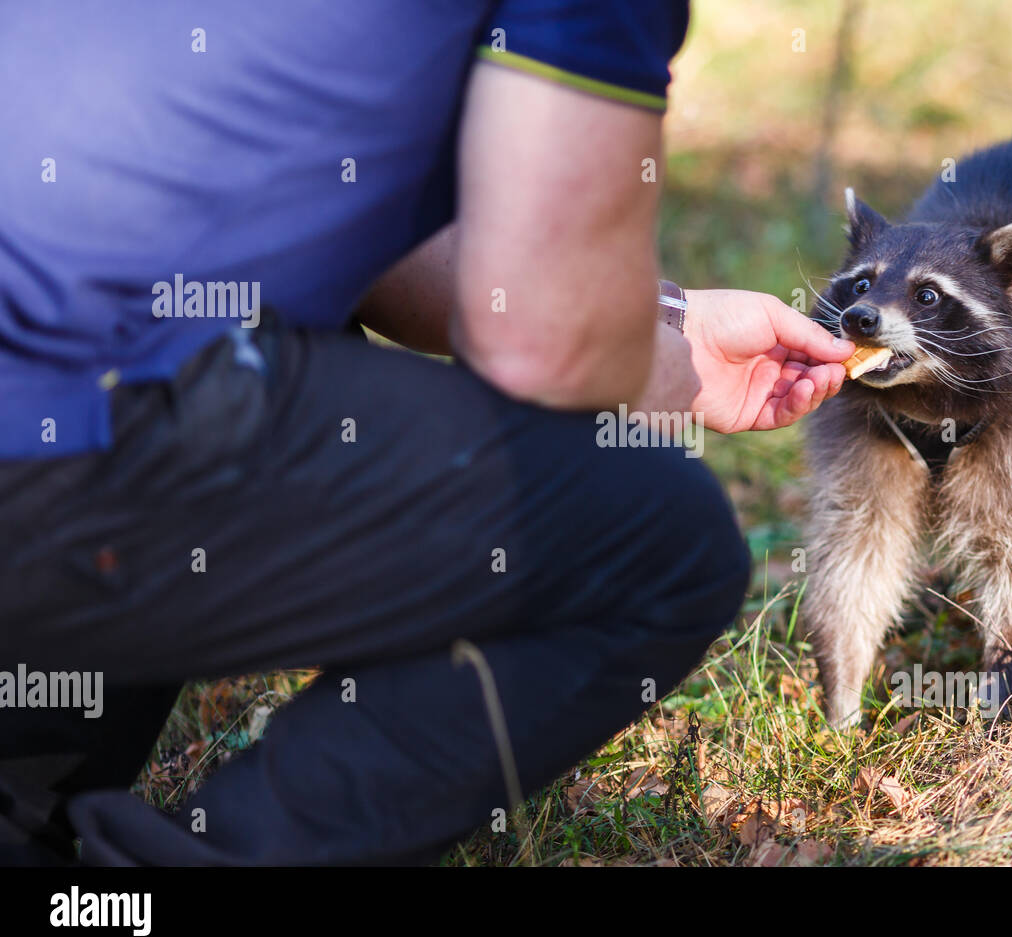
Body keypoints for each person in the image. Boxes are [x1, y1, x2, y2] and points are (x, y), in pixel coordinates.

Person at [0, 0, 852, 864]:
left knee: (278, 322)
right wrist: (661, 367)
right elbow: (542, 338)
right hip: (55, 421)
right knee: (656, 547)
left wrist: (663, 317)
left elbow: (375, 254)